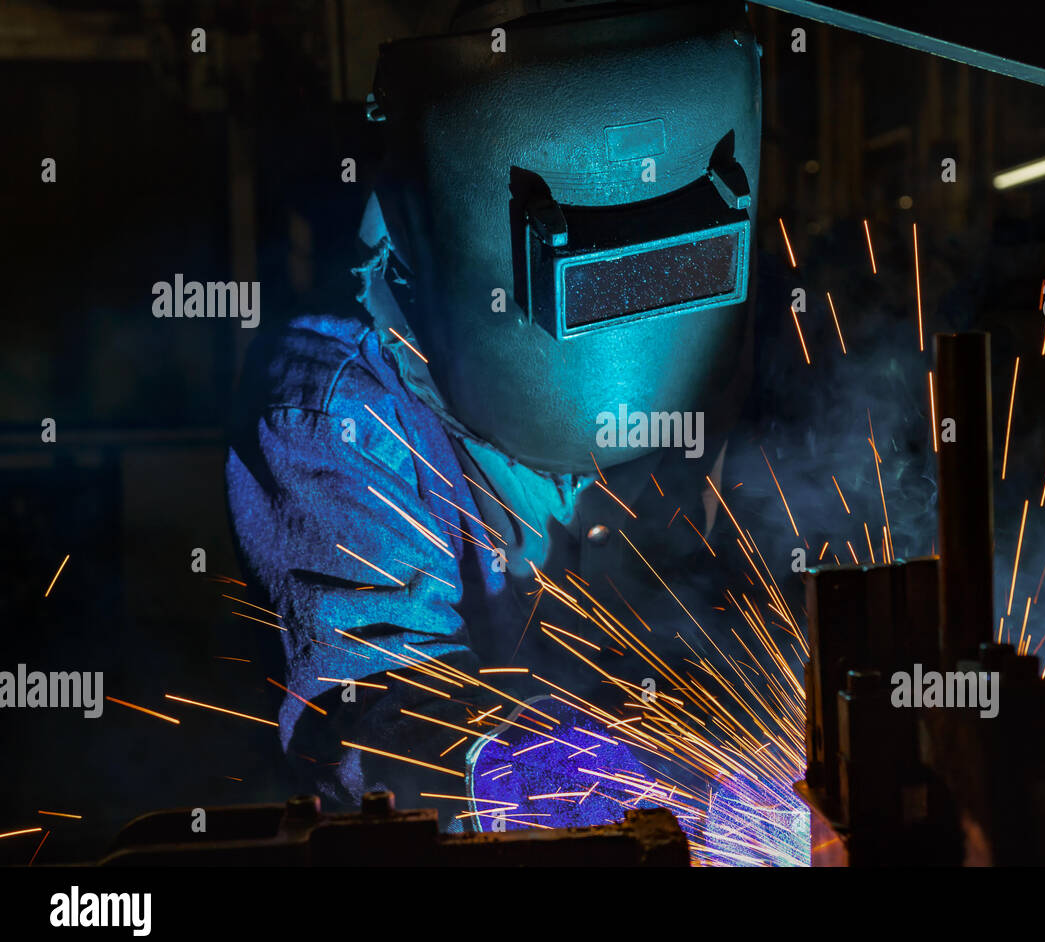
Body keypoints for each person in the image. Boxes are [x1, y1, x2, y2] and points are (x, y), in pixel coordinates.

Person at [225, 0, 769, 826]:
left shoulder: (727, 339)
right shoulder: (335, 409)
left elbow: (805, 551)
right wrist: (534, 777)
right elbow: (374, 717)